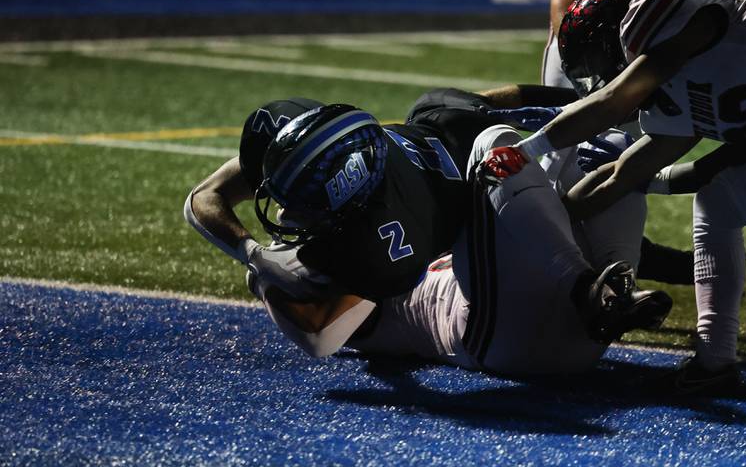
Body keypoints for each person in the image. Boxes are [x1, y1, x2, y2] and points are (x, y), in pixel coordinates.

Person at [184, 88, 672, 376]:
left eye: (301, 198)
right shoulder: (423, 127)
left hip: (510, 332)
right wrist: (607, 99)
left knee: (522, 152)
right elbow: (508, 103)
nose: (291, 212)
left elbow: (324, 332)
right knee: (584, 146)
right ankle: (605, 285)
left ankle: (606, 288)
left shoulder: (354, 257)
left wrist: (263, 266)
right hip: (532, 312)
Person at [477, 0, 746, 392]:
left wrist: (524, 151)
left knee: (720, 205)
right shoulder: (677, 91)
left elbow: (616, 99)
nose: (603, 76)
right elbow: (618, 177)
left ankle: (715, 363)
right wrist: (540, 228)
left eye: (599, 64)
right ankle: (713, 364)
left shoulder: (663, 6)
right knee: (720, 204)